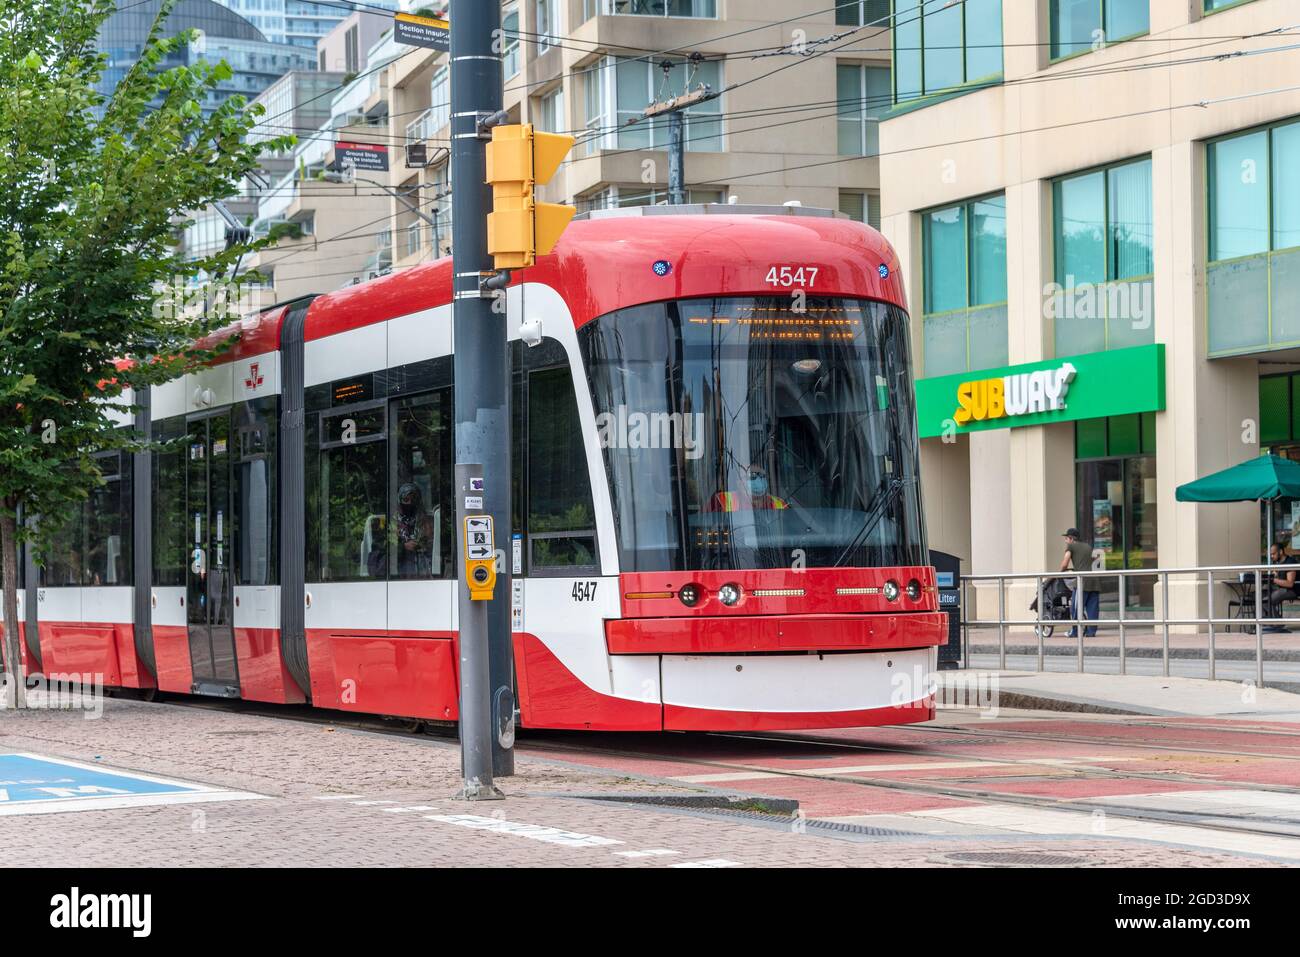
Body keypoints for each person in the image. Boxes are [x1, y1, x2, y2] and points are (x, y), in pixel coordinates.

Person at [1058, 527, 1099, 637]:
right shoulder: (1088, 546)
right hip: (1094, 580)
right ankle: (1091, 632)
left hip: (1082, 582)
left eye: (1066, 538)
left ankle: (1075, 632)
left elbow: (1065, 563)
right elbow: (1095, 559)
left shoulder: (1071, 546)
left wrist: (1059, 572)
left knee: (1076, 608)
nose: (1065, 541)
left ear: (1071, 539)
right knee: (1092, 609)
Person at [708, 465, 789, 512]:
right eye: (752, 476)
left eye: (762, 476)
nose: (758, 480)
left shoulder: (780, 504)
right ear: (738, 482)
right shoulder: (721, 500)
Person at [395, 483, 435, 578]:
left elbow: (434, 543)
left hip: (425, 570)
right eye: (406, 500)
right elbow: (388, 547)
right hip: (400, 571)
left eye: (413, 500)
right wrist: (403, 546)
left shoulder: (427, 520)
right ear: (400, 500)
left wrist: (422, 544)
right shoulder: (393, 522)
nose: (409, 503)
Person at [1265, 542, 1297, 633]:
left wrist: (1274, 580)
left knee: (1268, 600)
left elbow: (1290, 583)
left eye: (1273, 553)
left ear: (1281, 552)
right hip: (1283, 589)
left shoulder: (1290, 562)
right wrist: (1275, 575)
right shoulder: (1278, 563)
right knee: (1262, 598)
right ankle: (1276, 623)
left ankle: (1277, 624)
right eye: (1271, 554)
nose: (1272, 556)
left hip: (1293, 590)